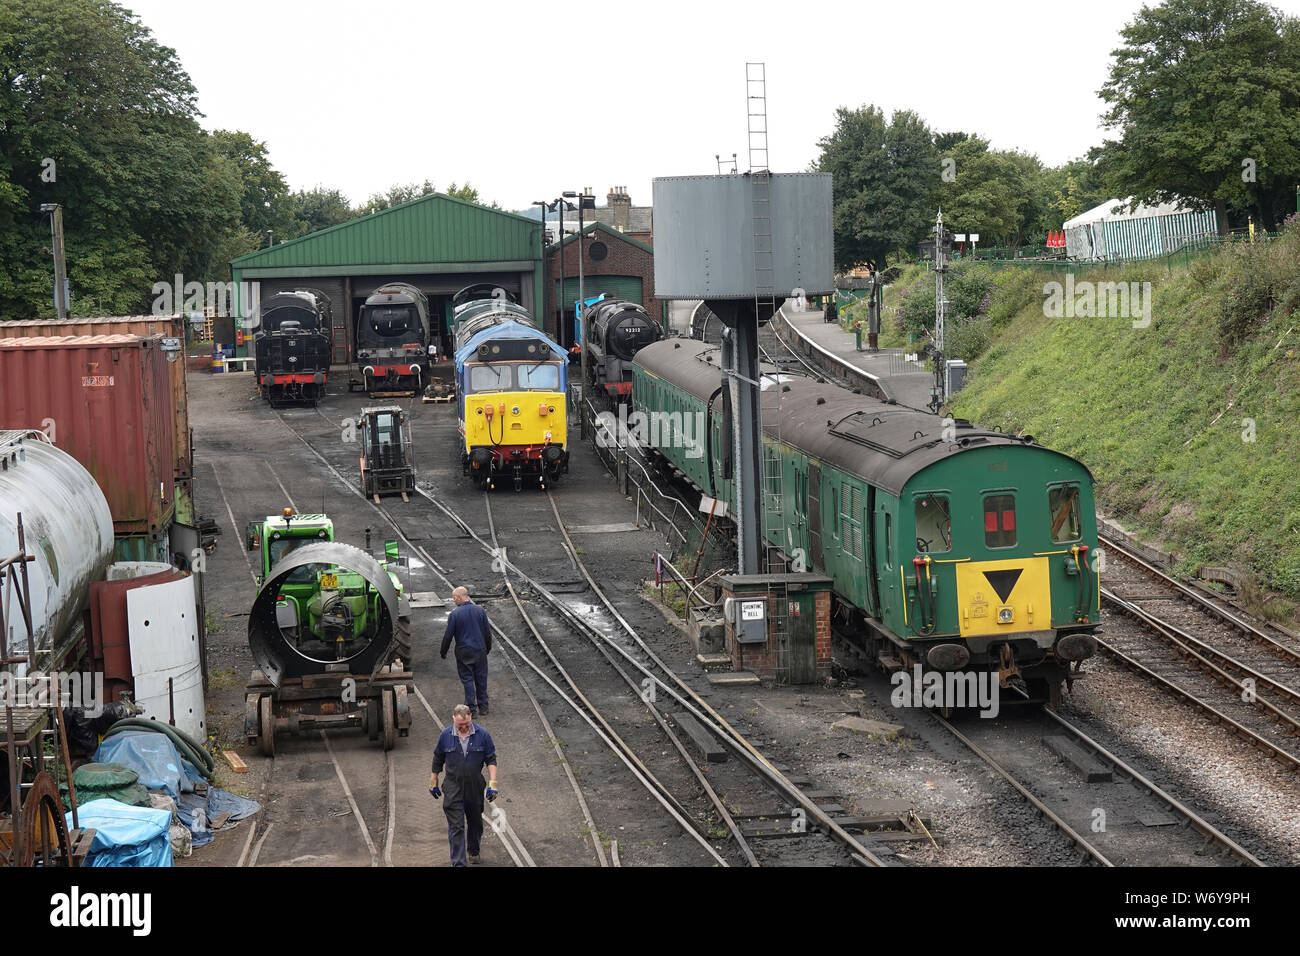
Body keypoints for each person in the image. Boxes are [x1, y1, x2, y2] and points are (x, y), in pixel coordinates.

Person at [429, 704, 499, 866]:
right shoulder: (445, 735)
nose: (464, 728)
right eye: (460, 725)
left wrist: (493, 783)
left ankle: (474, 850)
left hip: (475, 785)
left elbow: (491, 759)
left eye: (467, 724)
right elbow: (438, 759)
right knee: (457, 827)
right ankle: (459, 863)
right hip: (453, 786)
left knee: (475, 821)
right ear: (454, 720)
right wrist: (434, 781)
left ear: (470, 719)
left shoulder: (483, 735)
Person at [441, 586, 491, 716]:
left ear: (459, 597)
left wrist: (443, 651)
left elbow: (448, 635)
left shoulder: (455, 614)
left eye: (454, 597)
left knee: (468, 679)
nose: (453, 600)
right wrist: (487, 648)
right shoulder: (480, 610)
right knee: (481, 678)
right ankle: (484, 707)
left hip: (464, 653)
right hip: (480, 651)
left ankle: (471, 710)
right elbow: (487, 632)